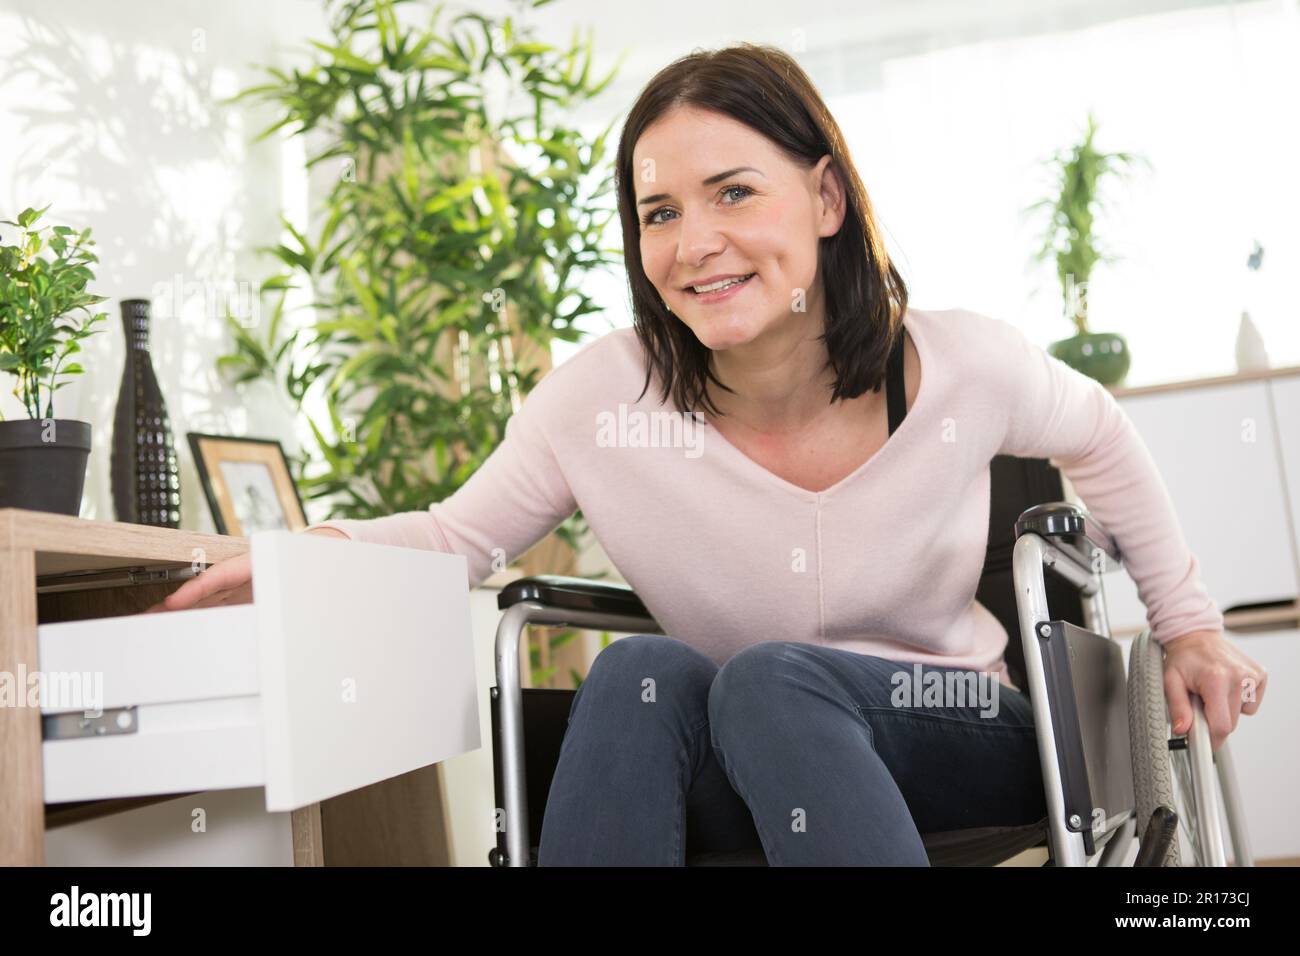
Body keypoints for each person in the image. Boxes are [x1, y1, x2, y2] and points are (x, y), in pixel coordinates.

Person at [153, 43, 1267, 866]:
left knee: (770, 675)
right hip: (746, 758)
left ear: (824, 198)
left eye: (733, 191)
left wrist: (1189, 623)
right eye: (658, 213)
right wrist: (310, 552)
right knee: (643, 672)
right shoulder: (601, 398)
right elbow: (457, 535)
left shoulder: (962, 364)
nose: (693, 244)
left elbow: (1103, 436)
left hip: (957, 726)